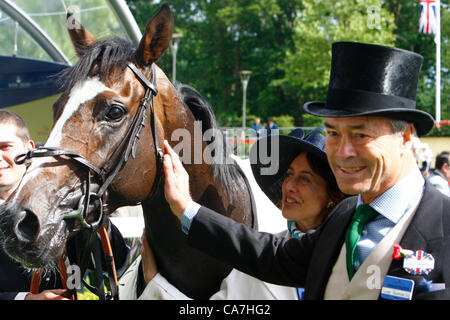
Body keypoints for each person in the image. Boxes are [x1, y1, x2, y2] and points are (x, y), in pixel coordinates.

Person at [161, 42, 450, 300]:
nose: (343, 151)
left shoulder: (444, 226)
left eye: (361, 135)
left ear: (406, 137)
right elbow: (269, 254)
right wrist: (185, 207)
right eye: (334, 133)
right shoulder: (343, 218)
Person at [119, 127, 346, 299]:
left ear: (332, 195)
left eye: (305, 178)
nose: (289, 186)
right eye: (288, 174)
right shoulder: (255, 262)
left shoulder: (355, 249)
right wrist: (155, 285)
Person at [0, 110, 128, 300]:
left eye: (5, 146)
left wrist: (97, 218)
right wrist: (25, 299)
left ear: (29, 148)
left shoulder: (61, 206)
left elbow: (118, 262)